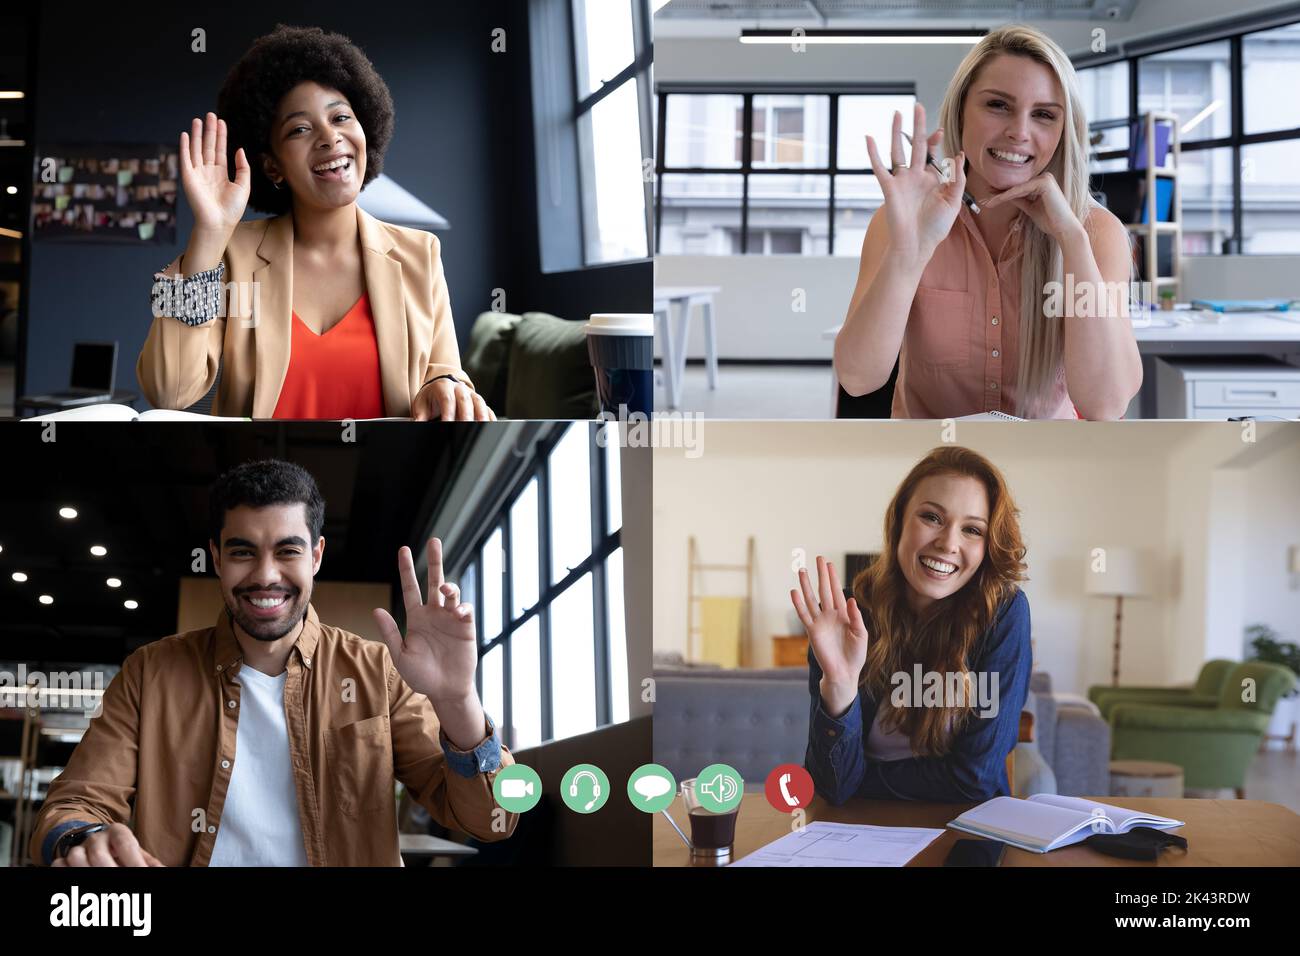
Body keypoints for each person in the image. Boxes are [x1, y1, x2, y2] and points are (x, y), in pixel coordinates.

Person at [31, 459, 515, 866]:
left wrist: (457, 699)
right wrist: (82, 840)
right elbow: (74, 802)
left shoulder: (378, 672)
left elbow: (493, 819)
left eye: (288, 551)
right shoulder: (149, 673)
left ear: (317, 557)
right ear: (217, 558)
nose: (265, 575)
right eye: (243, 552)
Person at [138, 25, 495, 421]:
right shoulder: (229, 257)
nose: (330, 138)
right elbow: (167, 392)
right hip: (264, 475)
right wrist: (209, 233)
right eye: (300, 129)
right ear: (272, 164)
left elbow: (442, 371)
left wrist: (445, 385)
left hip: (381, 476)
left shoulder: (420, 253)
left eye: (341, 117)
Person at [835, 25, 1142, 420]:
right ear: (962, 110)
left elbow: (1105, 405)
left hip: (1045, 465)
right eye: (998, 105)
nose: (1019, 132)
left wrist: (1072, 241)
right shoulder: (904, 221)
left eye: (1044, 115)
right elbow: (858, 377)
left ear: (1065, 130)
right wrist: (909, 253)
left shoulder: (1096, 233)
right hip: (930, 465)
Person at [792, 446, 1032, 803]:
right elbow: (831, 786)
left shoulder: (1002, 613)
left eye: (972, 529)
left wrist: (863, 781)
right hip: (858, 835)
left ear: (986, 548)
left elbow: (975, 779)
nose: (948, 543)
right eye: (932, 518)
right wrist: (840, 686)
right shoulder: (845, 615)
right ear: (899, 520)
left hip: (964, 832)